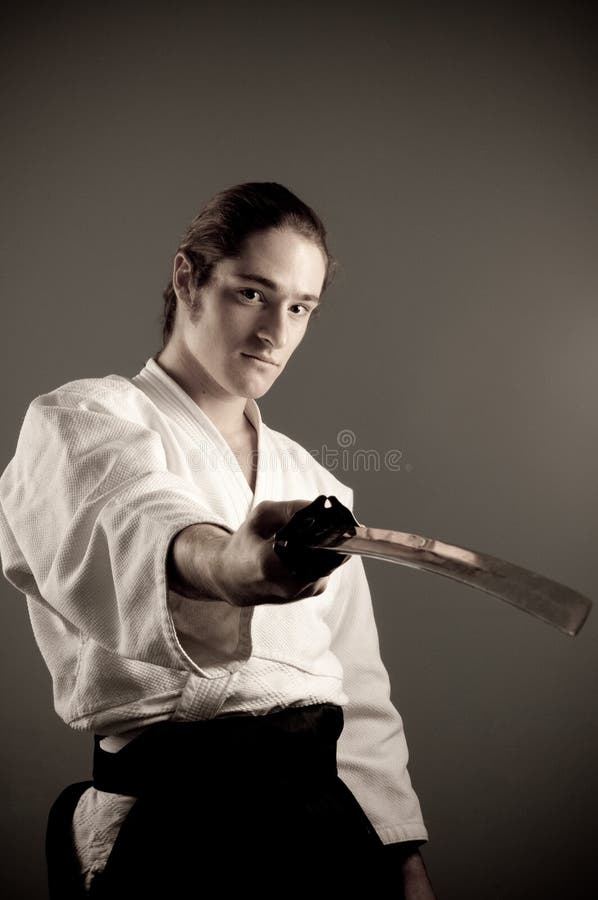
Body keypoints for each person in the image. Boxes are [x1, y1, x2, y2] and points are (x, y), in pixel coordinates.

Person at [0, 182, 435, 897]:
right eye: (252, 294)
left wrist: (401, 853)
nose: (275, 333)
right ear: (188, 279)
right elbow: (131, 516)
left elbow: (358, 685)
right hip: (174, 827)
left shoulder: (312, 480)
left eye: (300, 308)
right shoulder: (81, 422)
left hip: (328, 827)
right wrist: (225, 564)